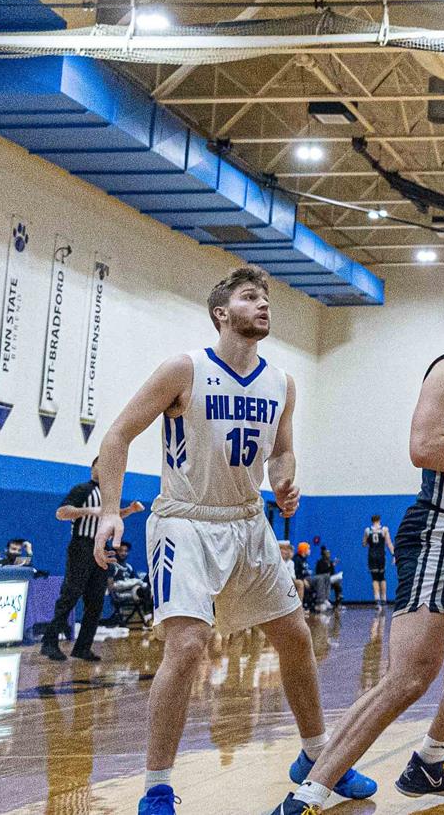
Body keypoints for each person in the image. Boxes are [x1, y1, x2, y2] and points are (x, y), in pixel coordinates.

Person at [89, 265, 363, 815]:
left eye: (265, 298)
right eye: (249, 297)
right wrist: (111, 510)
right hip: (186, 520)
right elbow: (116, 433)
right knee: (188, 646)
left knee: (295, 637)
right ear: (222, 313)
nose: (263, 305)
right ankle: (158, 787)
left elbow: (282, 449)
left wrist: (286, 480)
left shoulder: (282, 382)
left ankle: (315, 755)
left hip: (248, 520)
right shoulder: (183, 369)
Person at [268, 277, 444, 815]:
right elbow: (424, 447)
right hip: (438, 532)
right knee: (409, 676)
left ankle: (429, 761)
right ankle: (310, 793)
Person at [44, 459, 145, 661]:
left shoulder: (110, 497)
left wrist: (130, 510)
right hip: (82, 546)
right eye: (101, 465)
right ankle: (49, 642)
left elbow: (111, 517)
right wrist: (88, 510)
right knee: (70, 594)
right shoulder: (83, 489)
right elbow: (61, 513)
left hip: (102, 549)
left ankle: (82, 647)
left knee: (96, 600)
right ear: (93, 469)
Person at [362, 514, 392, 606]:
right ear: (379, 520)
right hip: (381, 555)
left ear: (372, 521)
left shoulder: (368, 530)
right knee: (382, 577)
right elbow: (389, 543)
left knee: (374, 578)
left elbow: (364, 543)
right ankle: (384, 598)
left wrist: (368, 542)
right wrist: (394, 554)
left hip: (372, 556)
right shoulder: (384, 529)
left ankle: (377, 598)